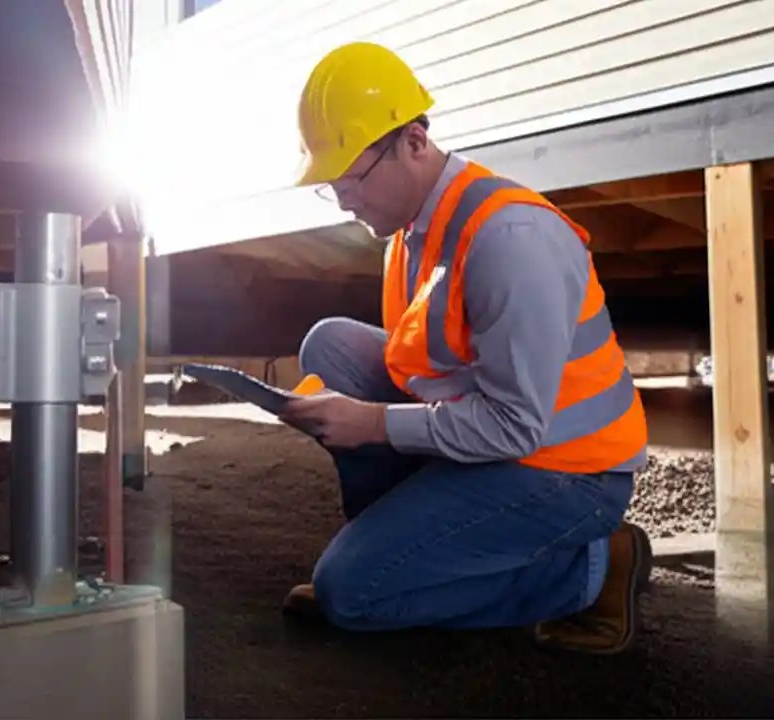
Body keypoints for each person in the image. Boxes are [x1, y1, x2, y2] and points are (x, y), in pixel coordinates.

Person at [275, 41, 653, 655]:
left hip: (569, 469)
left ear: (415, 142)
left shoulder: (511, 237)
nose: (344, 200)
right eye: (331, 185)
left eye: (352, 178)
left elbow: (513, 427)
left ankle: (587, 568)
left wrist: (372, 424)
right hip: (495, 432)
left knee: (350, 594)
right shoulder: (409, 231)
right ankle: (410, 545)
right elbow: (423, 360)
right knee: (332, 347)